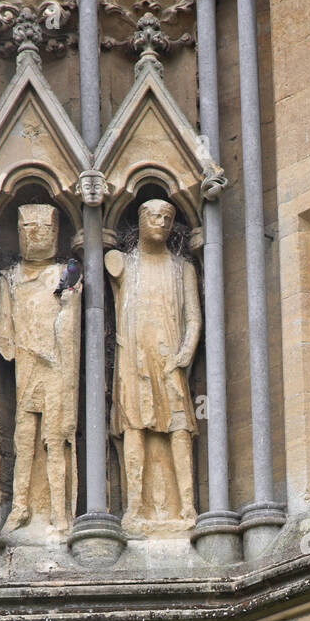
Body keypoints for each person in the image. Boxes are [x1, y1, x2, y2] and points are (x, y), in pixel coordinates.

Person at [106, 200, 201, 531]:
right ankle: (135, 505)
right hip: (133, 359)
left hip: (169, 359)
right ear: (140, 221)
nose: (160, 222)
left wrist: (186, 351)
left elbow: (193, 317)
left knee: (179, 427)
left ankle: (187, 506)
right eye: (153, 216)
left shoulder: (182, 269)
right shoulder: (120, 264)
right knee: (135, 424)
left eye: (167, 218)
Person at [0, 205, 80, 532]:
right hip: (27, 370)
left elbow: (70, 324)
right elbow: (6, 337)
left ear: (55, 233)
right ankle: (20, 507)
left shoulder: (65, 272)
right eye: (28, 228)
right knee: (24, 439)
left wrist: (69, 306)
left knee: (55, 440)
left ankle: (60, 511)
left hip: (56, 368)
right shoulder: (10, 278)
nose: (34, 234)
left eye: (42, 229)